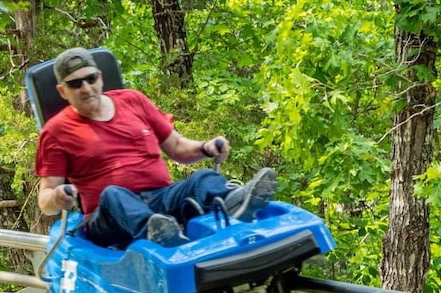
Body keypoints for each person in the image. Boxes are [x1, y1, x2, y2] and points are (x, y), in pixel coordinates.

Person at [35, 47, 278, 249]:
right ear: (62, 91)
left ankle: (237, 204)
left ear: (100, 76)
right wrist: (57, 196)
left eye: (91, 79)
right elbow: (45, 201)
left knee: (203, 177)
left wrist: (205, 147)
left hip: (160, 200)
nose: (86, 88)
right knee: (113, 194)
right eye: (76, 84)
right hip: (109, 216)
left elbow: (177, 147)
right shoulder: (56, 131)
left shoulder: (133, 100)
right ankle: (156, 231)